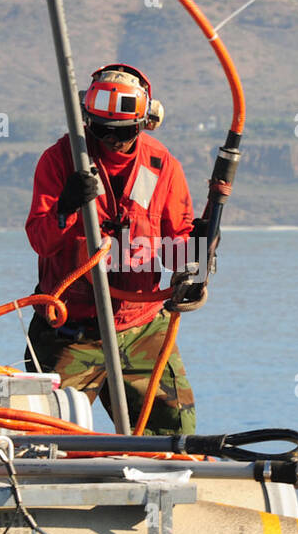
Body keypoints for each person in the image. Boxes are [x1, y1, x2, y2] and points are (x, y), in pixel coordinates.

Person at [24, 63, 205, 435]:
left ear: (144, 123)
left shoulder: (162, 165)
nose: (112, 141)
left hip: (142, 328)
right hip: (69, 332)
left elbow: (178, 243)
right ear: (86, 120)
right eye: (102, 132)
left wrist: (196, 264)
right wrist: (65, 208)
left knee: (175, 436)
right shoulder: (60, 161)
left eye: (122, 133)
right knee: (46, 442)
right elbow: (41, 239)